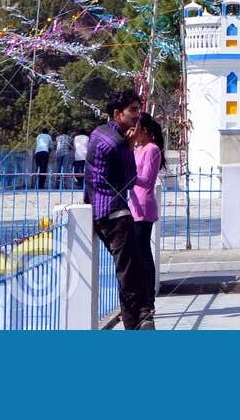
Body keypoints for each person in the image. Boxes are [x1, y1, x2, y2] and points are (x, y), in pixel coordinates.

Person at [85, 89, 147, 329]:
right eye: (132, 110)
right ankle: (135, 325)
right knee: (129, 274)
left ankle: (140, 316)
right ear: (117, 113)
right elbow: (131, 180)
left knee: (131, 270)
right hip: (115, 214)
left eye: (138, 108)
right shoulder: (118, 141)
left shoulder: (99, 133)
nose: (137, 114)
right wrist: (131, 146)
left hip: (101, 210)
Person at [127, 114, 165, 330]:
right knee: (137, 255)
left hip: (143, 206)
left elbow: (146, 179)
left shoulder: (151, 149)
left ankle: (147, 302)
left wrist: (128, 176)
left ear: (145, 129)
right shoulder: (138, 149)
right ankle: (141, 299)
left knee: (143, 255)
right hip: (134, 206)